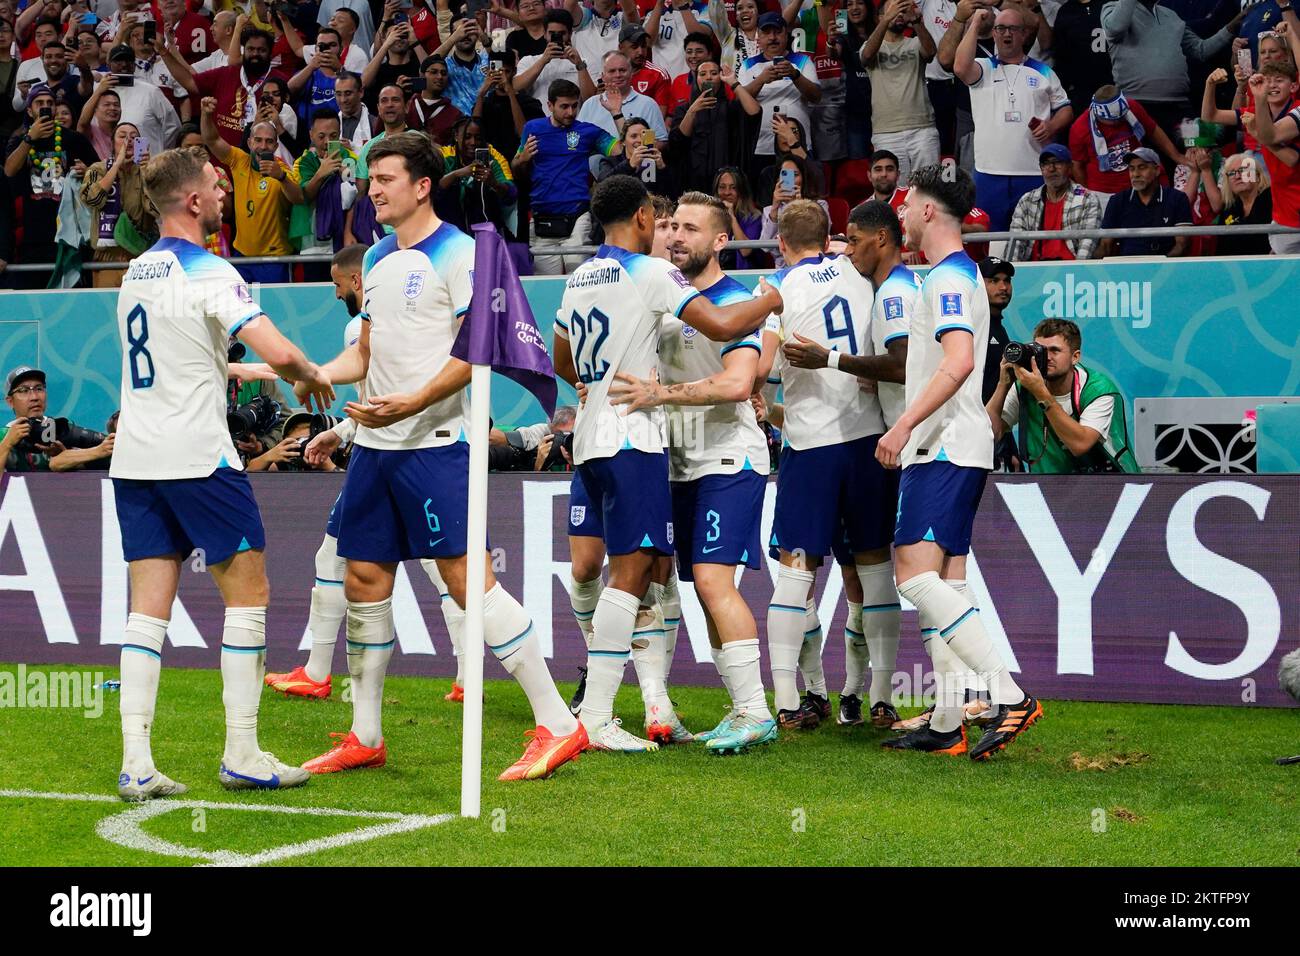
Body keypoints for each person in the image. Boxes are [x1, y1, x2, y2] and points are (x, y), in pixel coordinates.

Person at [294, 131, 589, 782]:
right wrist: (321, 371)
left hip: (434, 446)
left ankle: (559, 725)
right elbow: (364, 357)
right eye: (371, 179)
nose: (373, 189)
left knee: (468, 585)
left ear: (422, 186)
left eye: (386, 178)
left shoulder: (461, 253)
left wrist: (414, 401)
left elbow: (474, 352)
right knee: (364, 582)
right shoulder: (374, 258)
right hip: (375, 447)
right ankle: (364, 734)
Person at [110, 144, 333, 801]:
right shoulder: (210, 270)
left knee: (145, 615)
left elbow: (179, 353)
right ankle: (242, 751)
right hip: (199, 458)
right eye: (215, 182)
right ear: (193, 200)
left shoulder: (134, 273)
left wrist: (227, 367)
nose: (224, 189)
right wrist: (309, 375)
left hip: (137, 460)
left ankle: (137, 763)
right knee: (249, 595)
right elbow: (278, 348)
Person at [551, 173, 780, 751]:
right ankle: (598, 717)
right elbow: (727, 325)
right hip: (636, 442)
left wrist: (591, 384)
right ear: (645, 220)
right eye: (667, 221)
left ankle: (649, 708)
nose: (672, 232)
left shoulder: (578, 276)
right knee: (632, 577)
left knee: (651, 577)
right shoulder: (651, 275)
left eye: (688, 225)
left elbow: (559, 354)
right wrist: (778, 297)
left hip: (599, 442)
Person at [875, 162, 1042, 760]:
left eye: (905, 202)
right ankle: (948, 721)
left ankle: (1007, 693)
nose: (899, 212)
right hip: (960, 443)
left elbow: (959, 361)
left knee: (914, 575)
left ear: (926, 211)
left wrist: (904, 422)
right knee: (946, 580)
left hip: (942, 443)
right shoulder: (959, 274)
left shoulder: (946, 279)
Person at [265, 243, 469, 701]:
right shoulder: (385, 324)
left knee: (447, 569)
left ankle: (469, 674)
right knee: (342, 559)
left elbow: (384, 393)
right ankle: (322, 672)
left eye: (338, 284)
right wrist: (341, 431)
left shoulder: (364, 327)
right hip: (389, 447)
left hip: (406, 450)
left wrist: (325, 396)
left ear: (359, 280)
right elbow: (377, 398)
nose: (337, 294)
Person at [778, 198, 912, 729]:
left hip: (810, 444)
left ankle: (790, 700)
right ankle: (880, 696)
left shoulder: (782, 287)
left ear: (781, 244)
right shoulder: (870, 279)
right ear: (834, 235)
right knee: (875, 568)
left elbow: (764, 364)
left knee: (796, 569)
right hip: (868, 440)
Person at [953, 5, 1073, 232]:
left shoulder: (1043, 71)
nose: (1006, 34)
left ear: (1024, 34)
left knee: (1033, 238)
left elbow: (1065, 108)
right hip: (989, 173)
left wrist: (1052, 125)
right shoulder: (982, 68)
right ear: (994, 33)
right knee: (991, 241)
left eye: (1013, 29)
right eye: (1001, 28)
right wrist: (976, 23)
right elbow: (959, 67)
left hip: (1032, 172)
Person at [987, 318, 1139, 473]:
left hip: (1110, 486)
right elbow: (990, 434)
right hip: (1048, 487)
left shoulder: (1099, 390)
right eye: (1040, 350)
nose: (1047, 357)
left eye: (1055, 350)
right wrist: (1003, 384)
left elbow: (1080, 444)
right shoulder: (1024, 387)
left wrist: (1041, 393)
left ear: (1075, 357)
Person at [513, 77, 621, 275]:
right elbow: (516, 167)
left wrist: (616, 113)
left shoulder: (587, 131)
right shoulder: (533, 129)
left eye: (574, 106)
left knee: (579, 281)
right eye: (564, 106)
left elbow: (622, 151)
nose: (570, 112)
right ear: (549, 105)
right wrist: (522, 159)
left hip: (577, 216)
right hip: (541, 218)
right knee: (545, 288)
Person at [1100, 0, 1243, 143]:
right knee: (1145, 161)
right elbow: (1115, 29)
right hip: (1137, 109)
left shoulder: (1171, 16)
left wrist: (1231, 27)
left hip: (1178, 108)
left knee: (1207, 141)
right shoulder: (1112, 9)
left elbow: (1200, 50)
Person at [199, 94, 305, 282]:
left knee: (274, 310)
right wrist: (206, 115)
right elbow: (212, 140)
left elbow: (299, 198)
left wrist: (280, 177)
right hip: (242, 257)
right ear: (249, 142)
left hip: (274, 259)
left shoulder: (281, 170)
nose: (263, 146)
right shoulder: (239, 160)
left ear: (275, 146)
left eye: (269, 141)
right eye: (258, 140)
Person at [3, 84, 97, 286]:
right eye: (39, 103)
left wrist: (87, 171)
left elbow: (98, 172)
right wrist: (30, 139)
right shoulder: (20, 140)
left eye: (50, 103)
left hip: (69, 231)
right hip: (33, 233)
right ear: (29, 110)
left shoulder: (74, 139)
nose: (45, 107)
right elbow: (9, 170)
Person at [861, 0, 938, 186]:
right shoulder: (869, 46)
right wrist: (886, 18)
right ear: (880, 17)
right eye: (893, 11)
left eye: (902, 11)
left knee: (929, 188)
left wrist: (917, 20)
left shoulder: (915, 43)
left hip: (923, 129)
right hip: (886, 132)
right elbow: (867, 56)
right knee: (895, 191)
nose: (898, 15)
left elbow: (930, 52)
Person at [738, 12, 820, 182]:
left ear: (786, 34)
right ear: (758, 38)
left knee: (794, 192)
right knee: (765, 198)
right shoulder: (747, 65)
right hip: (761, 146)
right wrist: (761, 80)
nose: (772, 38)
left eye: (777, 32)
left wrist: (795, 75)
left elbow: (816, 96)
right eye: (766, 33)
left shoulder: (802, 61)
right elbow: (740, 101)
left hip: (794, 145)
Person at [1069, 84, 1187, 201]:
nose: (1118, 122)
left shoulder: (1131, 107)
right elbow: (1077, 167)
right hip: (1104, 192)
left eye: (1121, 117)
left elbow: (1153, 130)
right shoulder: (1080, 128)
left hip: (1141, 182)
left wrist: (1176, 156)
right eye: (1114, 120)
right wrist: (1090, 195)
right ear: (1100, 115)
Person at [80, 121, 159, 287]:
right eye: (122, 136)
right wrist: (116, 165)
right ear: (112, 143)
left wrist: (147, 171)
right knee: (107, 310)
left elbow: (156, 210)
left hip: (142, 254)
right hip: (107, 257)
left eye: (134, 137)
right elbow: (92, 199)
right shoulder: (98, 169)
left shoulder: (150, 170)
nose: (128, 140)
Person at [1, 365, 116, 472]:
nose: (34, 397)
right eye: (24, 391)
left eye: (39, 388)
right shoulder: (3, 435)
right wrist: (7, 443)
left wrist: (64, 454)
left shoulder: (61, 429)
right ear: (10, 401)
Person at [1006, 143, 1102, 261]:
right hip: (1033, 270)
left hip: (1072, 271)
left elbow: (1088, 244)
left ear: (1070, 167)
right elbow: (1015, 243)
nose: (1051, 169)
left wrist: (1078, 273)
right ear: (1041, 169)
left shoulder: (1087, 198)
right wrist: (1011, 274)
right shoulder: (1027, 201)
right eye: (1046, 164)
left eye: (1057, 162)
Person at [1241, 66, 1300, 255]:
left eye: (1279, 80)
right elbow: (1271, 136)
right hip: (1286, 218)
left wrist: (1258, 133)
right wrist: (1259, 98)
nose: (1273, 84)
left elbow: (1290, 157)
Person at [577, 49, 668, 166]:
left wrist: (639, 150)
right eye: (612, 71)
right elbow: (577, 138)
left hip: (638, 170)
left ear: (631, 74)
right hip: (596, 172)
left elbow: (661, 142)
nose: (618, 75)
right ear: (603, 76)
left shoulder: (648, 104)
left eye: (622, 70)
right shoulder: (590, 104)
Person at [1097, 146, 1193, 256]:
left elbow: (1182, 245)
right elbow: (1105, 246)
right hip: (1126, 268)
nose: (1136, 174)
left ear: (1157, 170)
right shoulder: (1117, 201)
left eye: (1142, 167)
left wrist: (1162, 267)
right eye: (1131, 169)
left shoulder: (1177, 199)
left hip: (1166, 266)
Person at [102, 44, 181, 158]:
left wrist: (159, 152)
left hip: (144, 160)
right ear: (108, 65)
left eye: (128, 61)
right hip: (111, 162)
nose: (124, 65)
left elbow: (173, 126)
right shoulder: (99, 90)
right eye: (118, 61)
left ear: (134, 65)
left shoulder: (150, 91)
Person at [514, 8, 597, 113]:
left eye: (562, 33)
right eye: (552, 33)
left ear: (570, 34)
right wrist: (543, 61)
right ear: (544, 34)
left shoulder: (584, 62)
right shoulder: (529, 61)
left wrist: (579, 65)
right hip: (541, 124)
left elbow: (590, 100)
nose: (557, 37)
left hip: (574, 124)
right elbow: (516, 88)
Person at [759, 154, 829, 266]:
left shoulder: (819, 205)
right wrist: (775, 207)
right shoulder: (769, 211)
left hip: (813, 265)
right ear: (778, 179)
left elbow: (820, 236)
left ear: (804, 178)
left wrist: (800, 206)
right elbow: (765, 247)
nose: (789, 180)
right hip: (782, 269)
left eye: (795, 175)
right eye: (785, 175)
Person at [1052, 0, 1116, 117]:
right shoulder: (1065, 12)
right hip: (1080, 94)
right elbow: (1061, 57)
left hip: (1115, 88)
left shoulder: (1112, 4)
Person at [1212, 151, 1273, 256]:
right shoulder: (1229, 208)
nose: (1237, 176)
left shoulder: (1272, 198)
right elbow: (1221, 249)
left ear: (1257, 175)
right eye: (1231, 173)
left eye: (1243, 170)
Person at [643, 0, 714, 81]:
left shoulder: (704, 10)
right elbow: (647, 42)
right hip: (661, 84)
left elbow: (700, 39)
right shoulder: (655, 13)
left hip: (690, 83)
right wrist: (659, 4)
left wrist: (682, 5)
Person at [437, 12, 489, 116]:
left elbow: (503, 64)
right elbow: (424, 67)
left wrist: (483, 36)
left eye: (469, 30)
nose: (465, 35)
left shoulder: (487, 58)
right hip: (458, 126)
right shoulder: (444, 66)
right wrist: (453, 38)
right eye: (460, 31)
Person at [406, 55, 464, 144]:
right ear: (422, 75)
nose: (440, 77)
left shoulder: (455, 114)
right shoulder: (407, 106)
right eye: (434, 72)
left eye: (444, 73)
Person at [619, 22, 671, 115]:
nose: (640, 52)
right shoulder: (612, 74)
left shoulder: (659, 75)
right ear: (621, 48)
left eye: (643, 46)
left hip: (646, 128)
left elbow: (659, 117)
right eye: (634, 47)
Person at [334, 71, 375, 152]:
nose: (343, 100)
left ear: (361, 92)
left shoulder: (375, 124)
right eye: (338, 94)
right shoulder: (330, 124)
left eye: (348, 93)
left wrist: (353, 151)